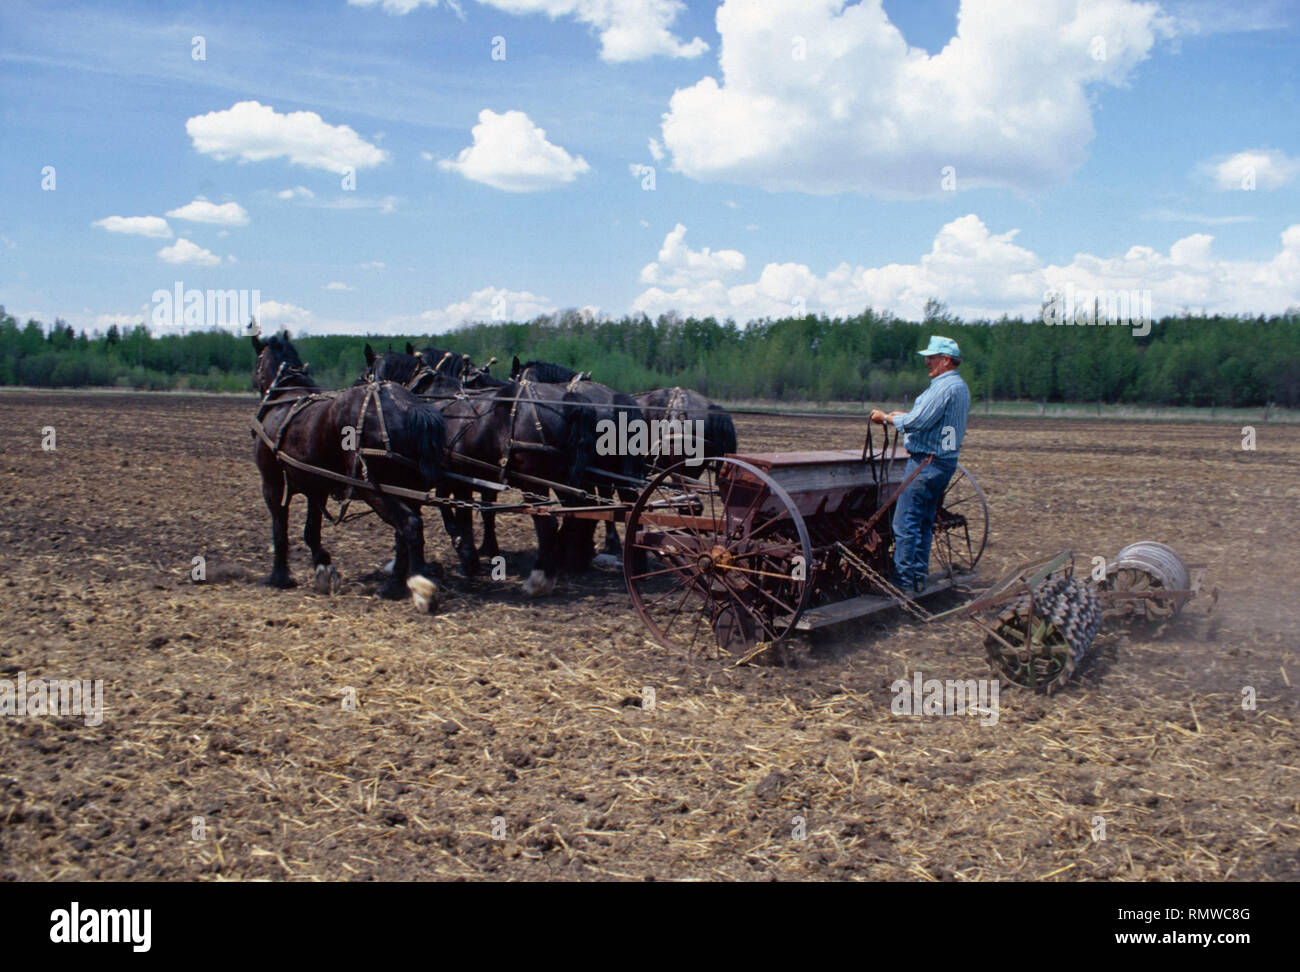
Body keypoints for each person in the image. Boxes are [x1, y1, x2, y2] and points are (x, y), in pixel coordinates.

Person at [869, 335, 970, 593]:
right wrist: (903, 416)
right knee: (924, 522)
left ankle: (902, 583)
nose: (927, 362)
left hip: (925, 463)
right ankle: (917, 578)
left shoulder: (942, 387)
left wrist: (885, 419)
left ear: (945, 360)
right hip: (944, 463)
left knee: (905, 523)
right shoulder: (959, 387)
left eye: (932, 357)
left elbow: (918, 423)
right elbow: (931, 419)